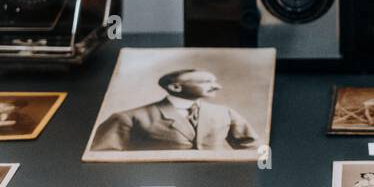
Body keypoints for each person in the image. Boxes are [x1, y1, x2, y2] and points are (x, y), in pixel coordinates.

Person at [90, 68, 261, 151]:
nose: (217, 86)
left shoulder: (225, 113)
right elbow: (104, 157)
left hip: (216, 185)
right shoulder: (128, 118)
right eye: (206, 82)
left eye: (214, 81)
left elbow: (252, 148)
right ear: (176, 87)